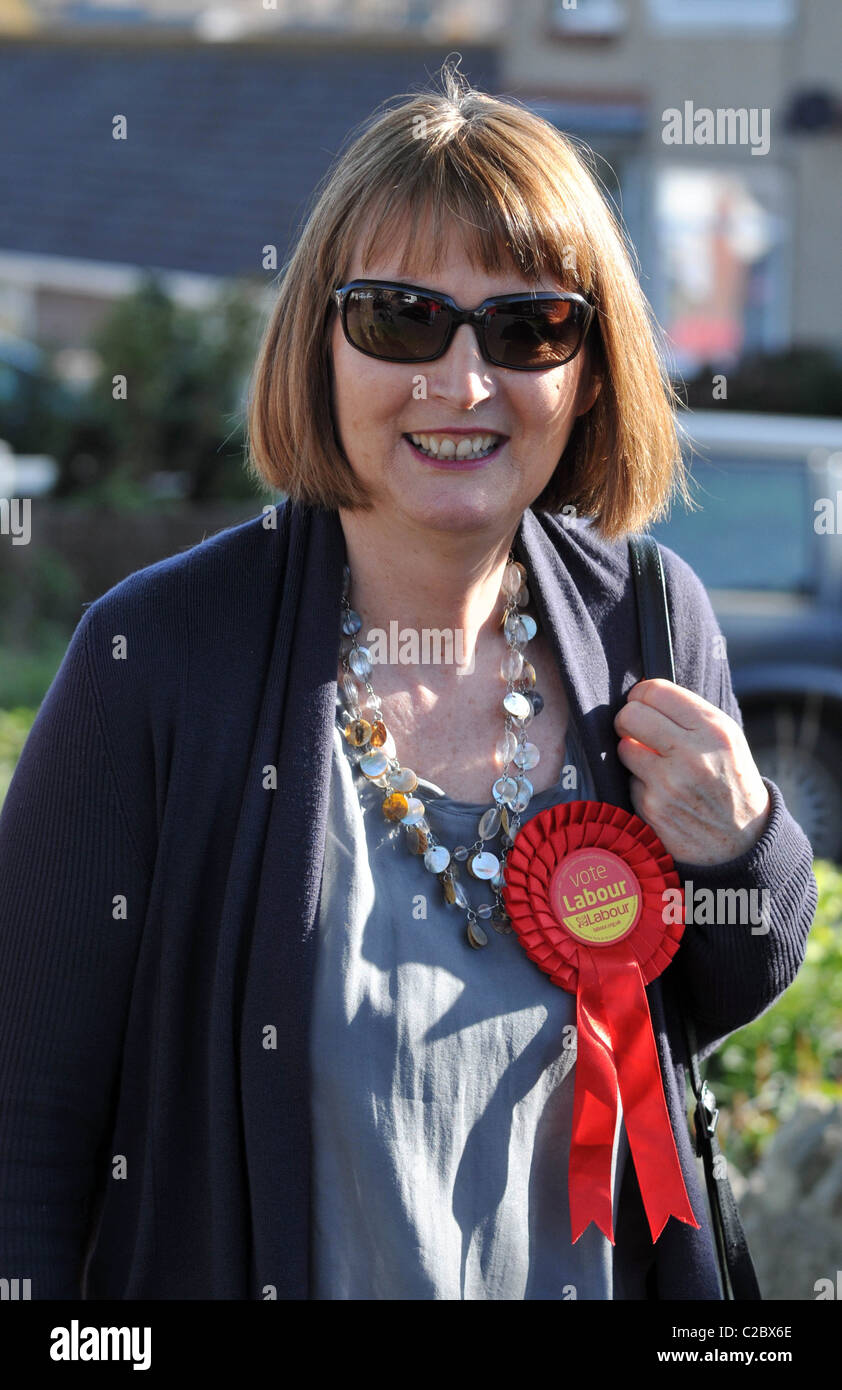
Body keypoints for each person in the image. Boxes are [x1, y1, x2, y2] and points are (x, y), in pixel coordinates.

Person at [0, 64, 817, 1301]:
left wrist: (744, 848)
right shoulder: (152, 660)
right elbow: (23, 1125)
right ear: (318, 348)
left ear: (590, 368)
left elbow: (722, 986)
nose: (462, 381)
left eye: (526, 326)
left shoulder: (648, 622)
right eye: (399, 319)